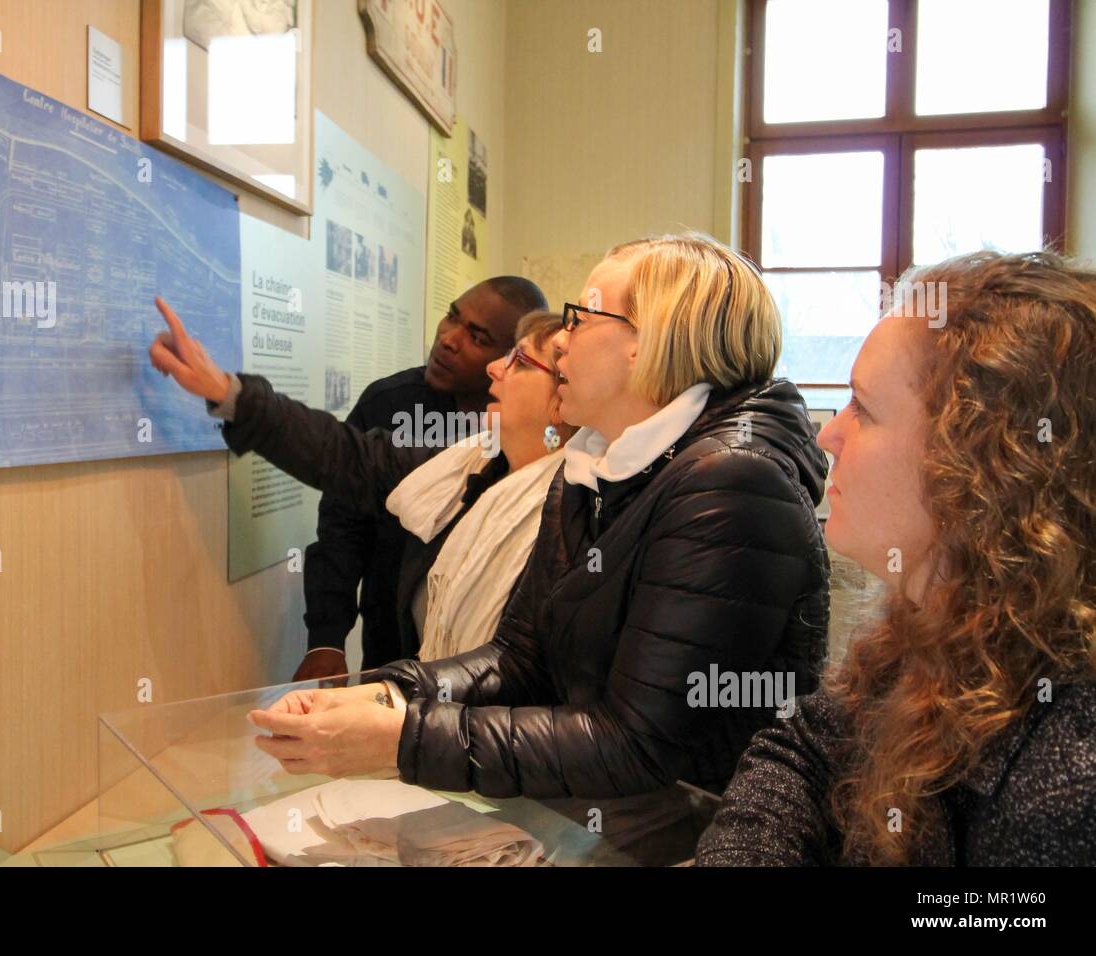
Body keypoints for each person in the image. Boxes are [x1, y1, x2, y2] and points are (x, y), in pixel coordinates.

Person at [246, 234, 832, 821]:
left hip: (699, 834)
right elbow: (520, 657)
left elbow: (638, 743)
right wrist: (390, 693)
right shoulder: (596, 462)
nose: (562, 345)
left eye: (580, 318)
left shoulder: (731, 483)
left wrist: (403, 736)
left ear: (645, 344)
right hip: (603, 818)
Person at [696, 250, 1096, 866]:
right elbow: (805, 745)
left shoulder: (1069, 777)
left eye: (865, 408)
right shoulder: (948, 621)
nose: (829, 434)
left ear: (984, 463)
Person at [149, 304, 573, 664]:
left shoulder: (577, 522)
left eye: (518, 361)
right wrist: (228, 392)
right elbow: (345, 456)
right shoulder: (468, 467)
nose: (494, 368)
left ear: (561, 400)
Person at [289, 277, 546, 680]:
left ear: (508, 358)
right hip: (390, 645)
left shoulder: (533, 435)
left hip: (486, 661)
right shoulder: (390, 403)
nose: (448, 339)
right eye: (452, 317)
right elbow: (344, 526)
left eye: (477, 337)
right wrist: (326, 639)